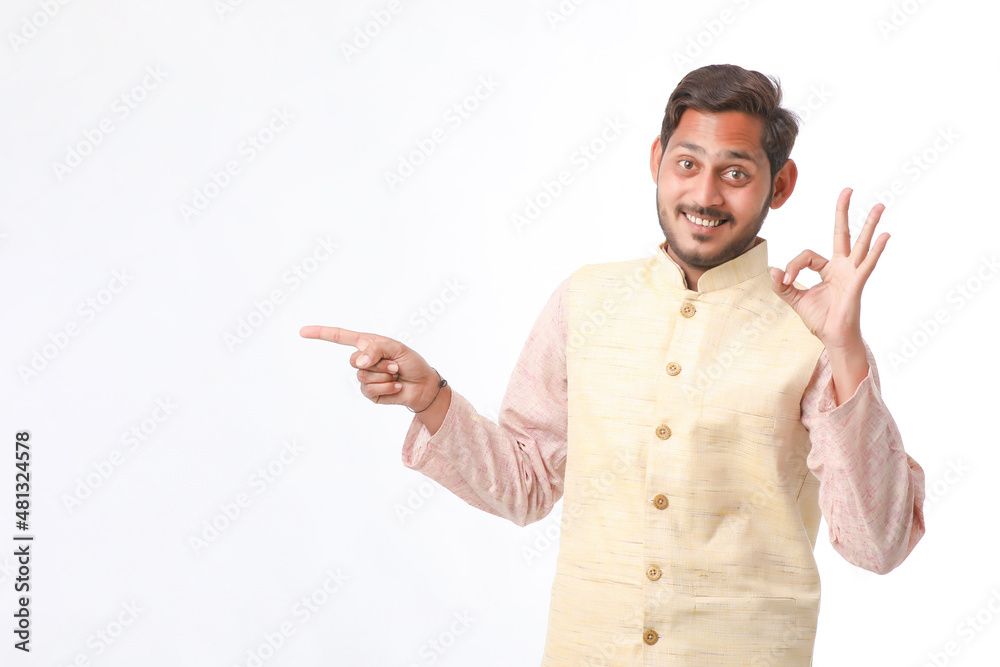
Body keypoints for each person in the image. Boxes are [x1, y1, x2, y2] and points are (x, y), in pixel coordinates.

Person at [300, 64, 925, 666]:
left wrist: (845, 346)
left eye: (735, 173)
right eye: (687, 165)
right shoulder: (586, 300)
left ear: (780, 185)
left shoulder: (815, 332)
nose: (704, 195)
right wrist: (430, 398)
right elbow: (527, 484)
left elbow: (878, 545)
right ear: (657, 161)